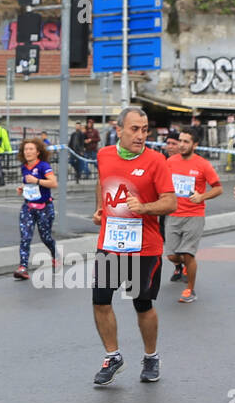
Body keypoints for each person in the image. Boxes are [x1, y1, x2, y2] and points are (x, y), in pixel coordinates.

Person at [90, 106, 176, 386]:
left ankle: (151, 356)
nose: (141, 135)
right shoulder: (104, 155)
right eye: (134, 129)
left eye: (144, 129)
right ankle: (112, 356)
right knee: (100, 301)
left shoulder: (156, 160)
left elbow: (170, 202)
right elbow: (102, 182)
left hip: (144, 247)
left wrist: (144, 206)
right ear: (119, 130)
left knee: (142, 304)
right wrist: (100, 208)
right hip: (111, 243)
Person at [164, 126, 222, 303]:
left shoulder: (202, 165)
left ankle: (190, 289)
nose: (181, 145)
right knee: (172, 255)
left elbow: (218, 188)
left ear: (194, 144)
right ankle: (183, 266)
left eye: (185, 142)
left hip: (194, 215)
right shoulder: (171, 161)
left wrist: (202, 196)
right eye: (180, 141)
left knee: (188, 254)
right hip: (173, 214)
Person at [13, 138, 57, 280]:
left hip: (44, 207)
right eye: (26, 149)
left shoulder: (44, 166)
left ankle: (55, 254)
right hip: (28, 207)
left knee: (46, 237)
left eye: (31, 149)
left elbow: (53, 183)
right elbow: (29, 184)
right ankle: (23, 267)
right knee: (25, 236)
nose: (28, 152)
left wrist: (37, 180)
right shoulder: (24, 167)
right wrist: (22, 188)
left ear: (38, 152)